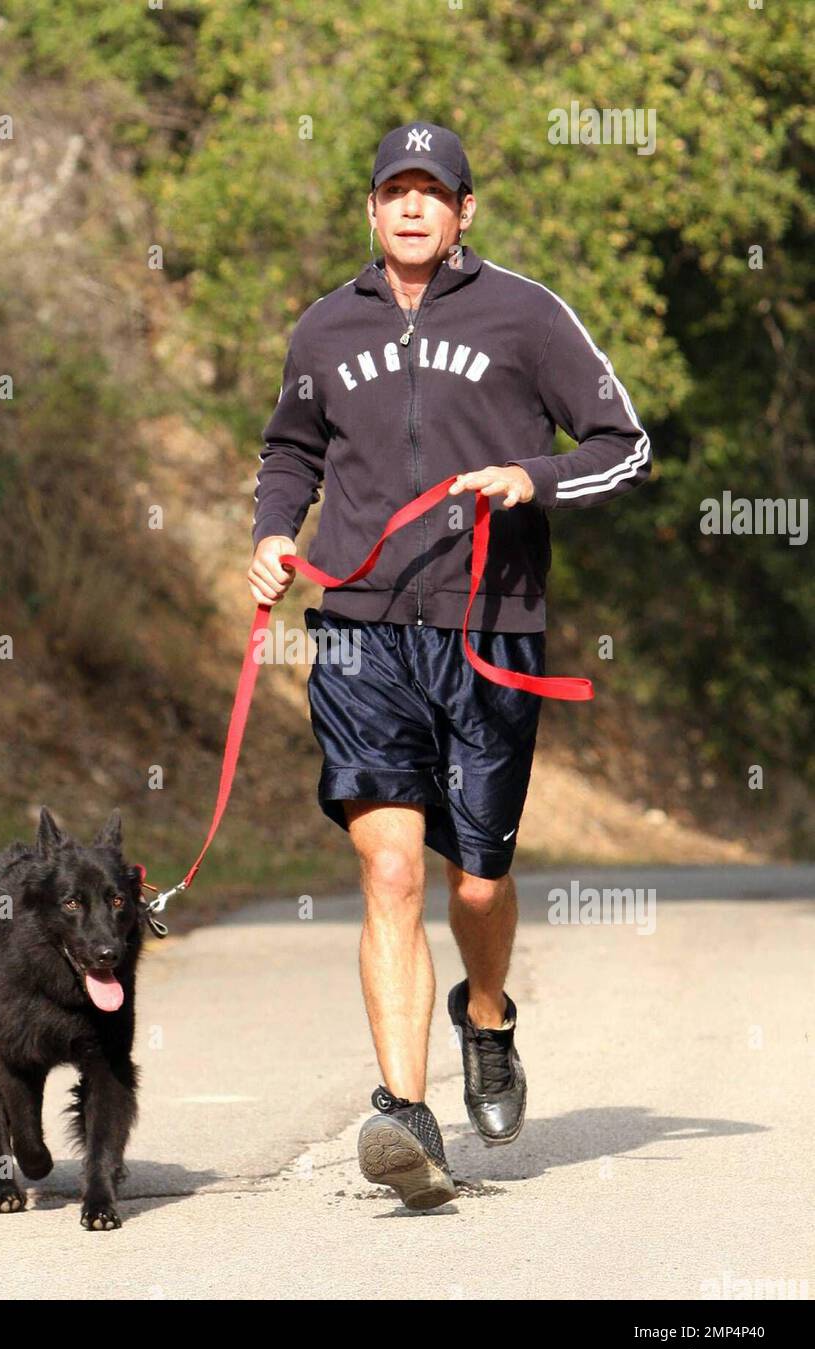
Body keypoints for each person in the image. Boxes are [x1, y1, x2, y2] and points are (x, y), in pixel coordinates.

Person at [248, 122, 651, 1210]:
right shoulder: (324, 327)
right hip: (360, 624)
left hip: (490, 628)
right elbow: (289, 451)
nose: (413, 208)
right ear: (371, 210)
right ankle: (405, 1113)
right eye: (395, 192)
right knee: (387, 869)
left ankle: (487, 1014)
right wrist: (275, 534)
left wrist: (533, 476)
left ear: (465, 210)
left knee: (475, 876)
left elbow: (624, 444)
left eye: (434, 191)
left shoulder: (527, 314)